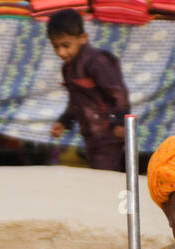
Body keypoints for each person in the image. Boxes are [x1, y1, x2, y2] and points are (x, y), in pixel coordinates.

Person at [46, 9, 130, 172]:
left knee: (105, 177)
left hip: (109, 134)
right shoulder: (68, 69)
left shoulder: (97, 61)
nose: (61, 52)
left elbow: (118, 92)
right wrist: (64, 121)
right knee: (101, 174)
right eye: (56, 47)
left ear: (83, 38)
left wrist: (120, 122)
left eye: (66, 45)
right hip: (92, 135)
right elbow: (76, 100)